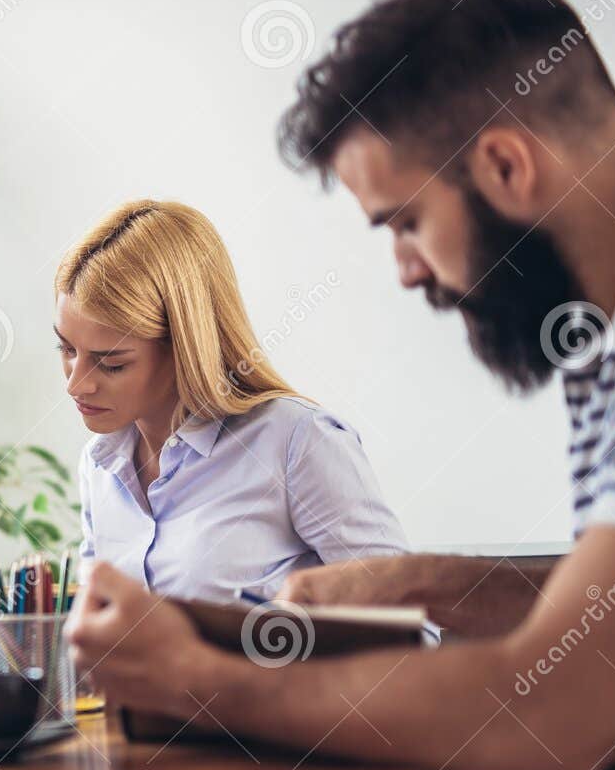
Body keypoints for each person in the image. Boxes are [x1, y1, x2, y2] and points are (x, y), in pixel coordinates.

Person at [66, 0, 615, 770]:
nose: (407, 270)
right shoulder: (602, 354)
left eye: (402, 224)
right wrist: (413, 582)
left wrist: (197, 678)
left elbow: (557, 714)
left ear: (504, 164)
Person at [57, 198, 405, 602]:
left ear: (186, 347)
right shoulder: (100, 463)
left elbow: (408, 632)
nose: (76, 385)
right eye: (65, 349)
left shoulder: (298, 442)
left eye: (111, 364)